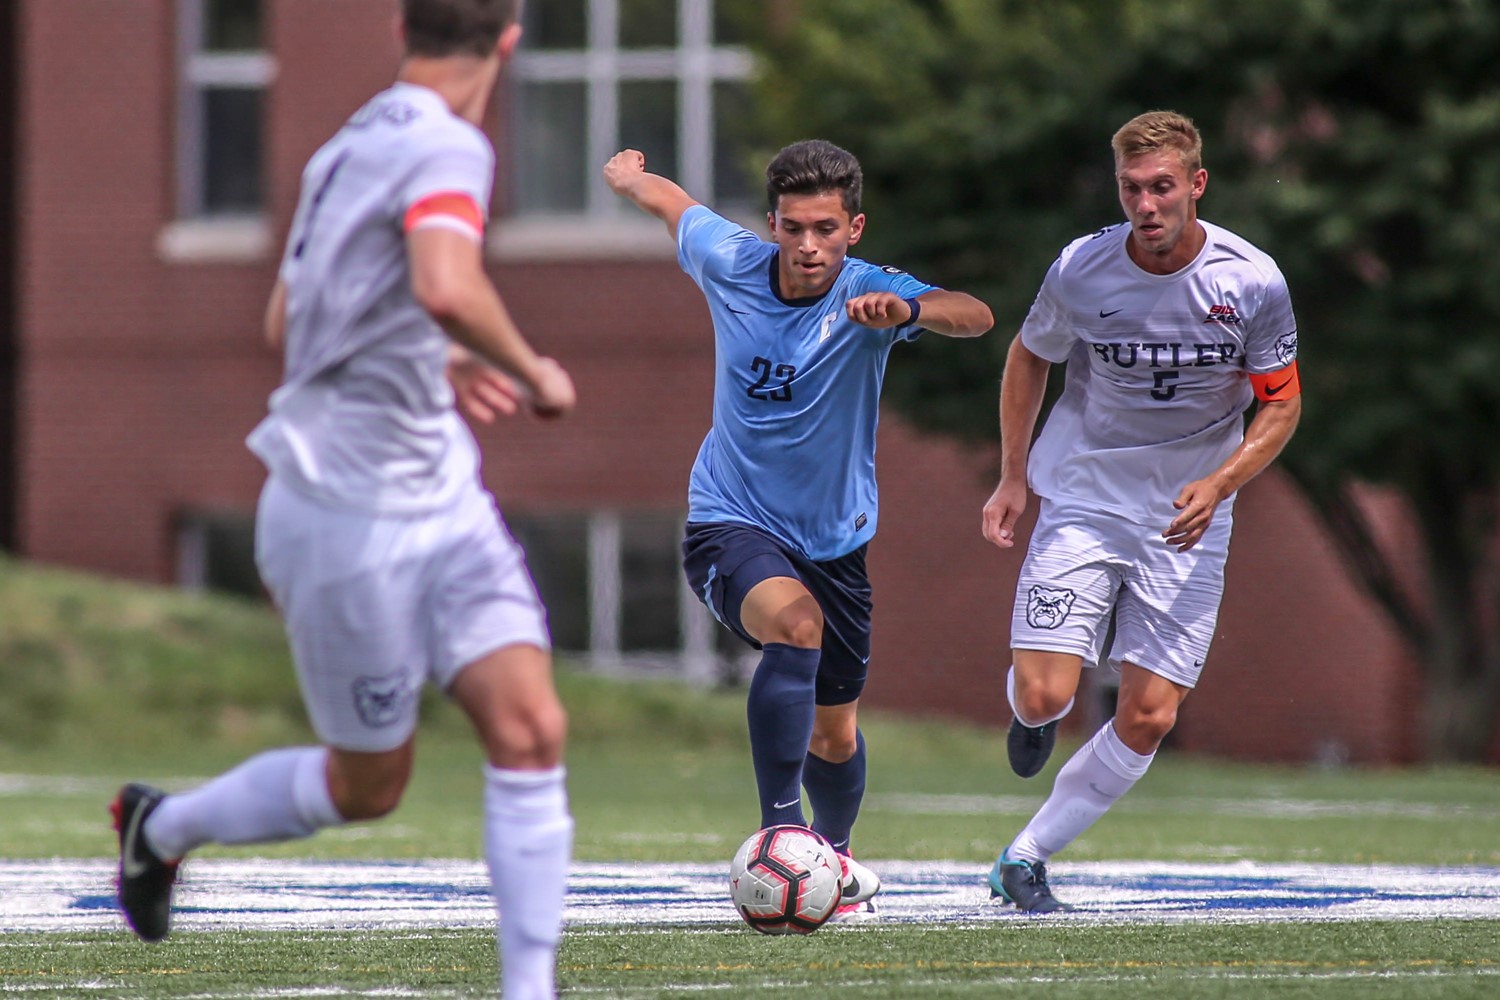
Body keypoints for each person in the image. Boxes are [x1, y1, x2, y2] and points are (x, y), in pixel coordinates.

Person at [111, 2, 578, 996]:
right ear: (510, 37)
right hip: (344, 517)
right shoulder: (450, 144)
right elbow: (447, 283)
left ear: (409, 25)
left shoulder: (349, 143)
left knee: (531, 727)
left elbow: (294, 315)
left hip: (444, 498)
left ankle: (528, 989)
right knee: (369, 785)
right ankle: (164, 827)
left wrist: (433, 357)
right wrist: (531, 368)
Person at [604, 140, 994, 918]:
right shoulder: (731, 261)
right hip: (730, 518)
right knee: (795, 624)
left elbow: (974, 315)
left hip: (837, 544)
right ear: (773, 225)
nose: (808, 246)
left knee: (836, 736)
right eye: (792, 228)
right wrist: (629, 179)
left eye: (825, 229)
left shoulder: (871, 291)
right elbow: (675, 207)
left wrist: (910, 310)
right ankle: (782, 832)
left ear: (854, 227)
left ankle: (836, 856)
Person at [981, 110, 1302, 912]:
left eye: (1162, 187)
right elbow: (1029, 357)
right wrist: (1013, 476)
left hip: (1189, 514)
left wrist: (1221, 482)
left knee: (1151, 714)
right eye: (1132, 189)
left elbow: (1282, 404)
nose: (1147, 205)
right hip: (1086, 495)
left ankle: (1024, 858)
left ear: (1196, 184)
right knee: (1048, 697)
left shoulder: (1252, 280)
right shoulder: (1081, 270)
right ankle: (1026, 710)